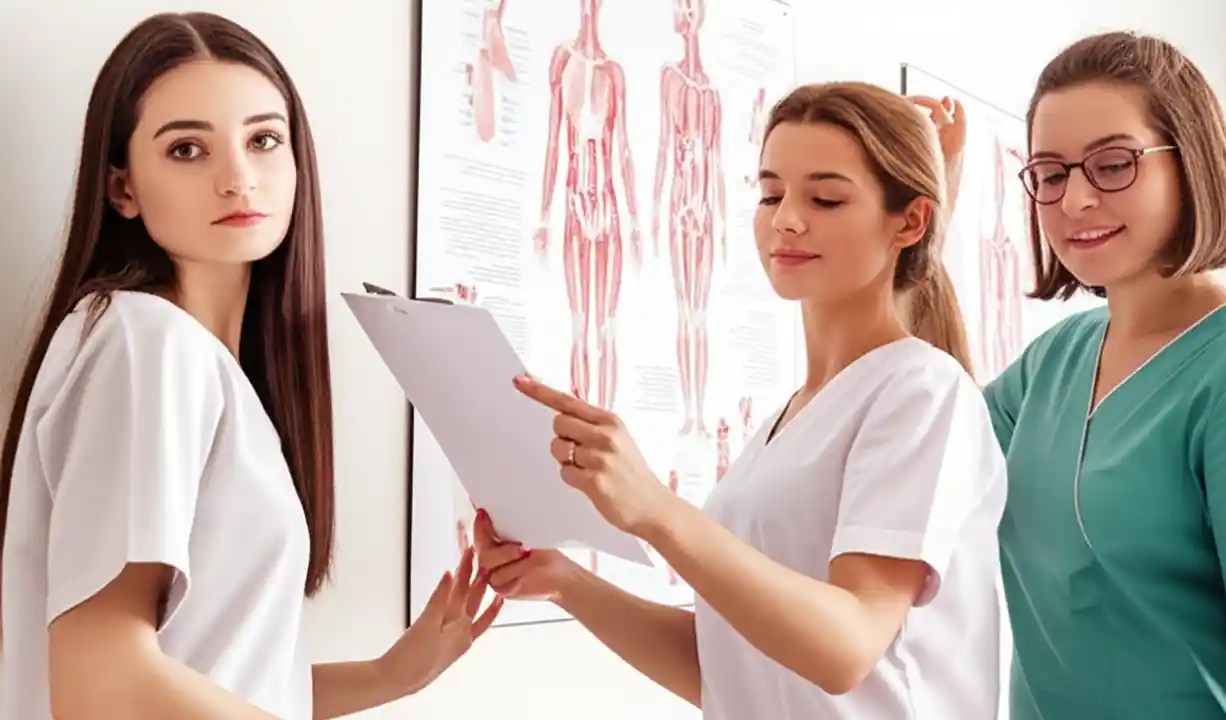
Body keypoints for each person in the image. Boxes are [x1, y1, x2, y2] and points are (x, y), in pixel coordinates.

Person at [0, 12, 500, 719]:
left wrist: (390, 675)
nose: (238, 179)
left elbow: (218, 677)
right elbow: (103, 682)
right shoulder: (147, 343)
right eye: (187, 150)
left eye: (263, 140)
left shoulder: (196, 362)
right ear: (122, 189)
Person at [475, 81, 1008, 719]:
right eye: (772, 194)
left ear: (911, 221)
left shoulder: (922, 390)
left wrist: (656, 510)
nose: (787, 219)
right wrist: (564, 581)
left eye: (826, 198)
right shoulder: (794, 416)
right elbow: (728, 670)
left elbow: (846, 648)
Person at [983, 31, 1226, 719]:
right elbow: (921, 435)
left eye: (1113, 165)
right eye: (1050, 174)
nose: (1075, 200)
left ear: (1191, 163)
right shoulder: (1054, 361)